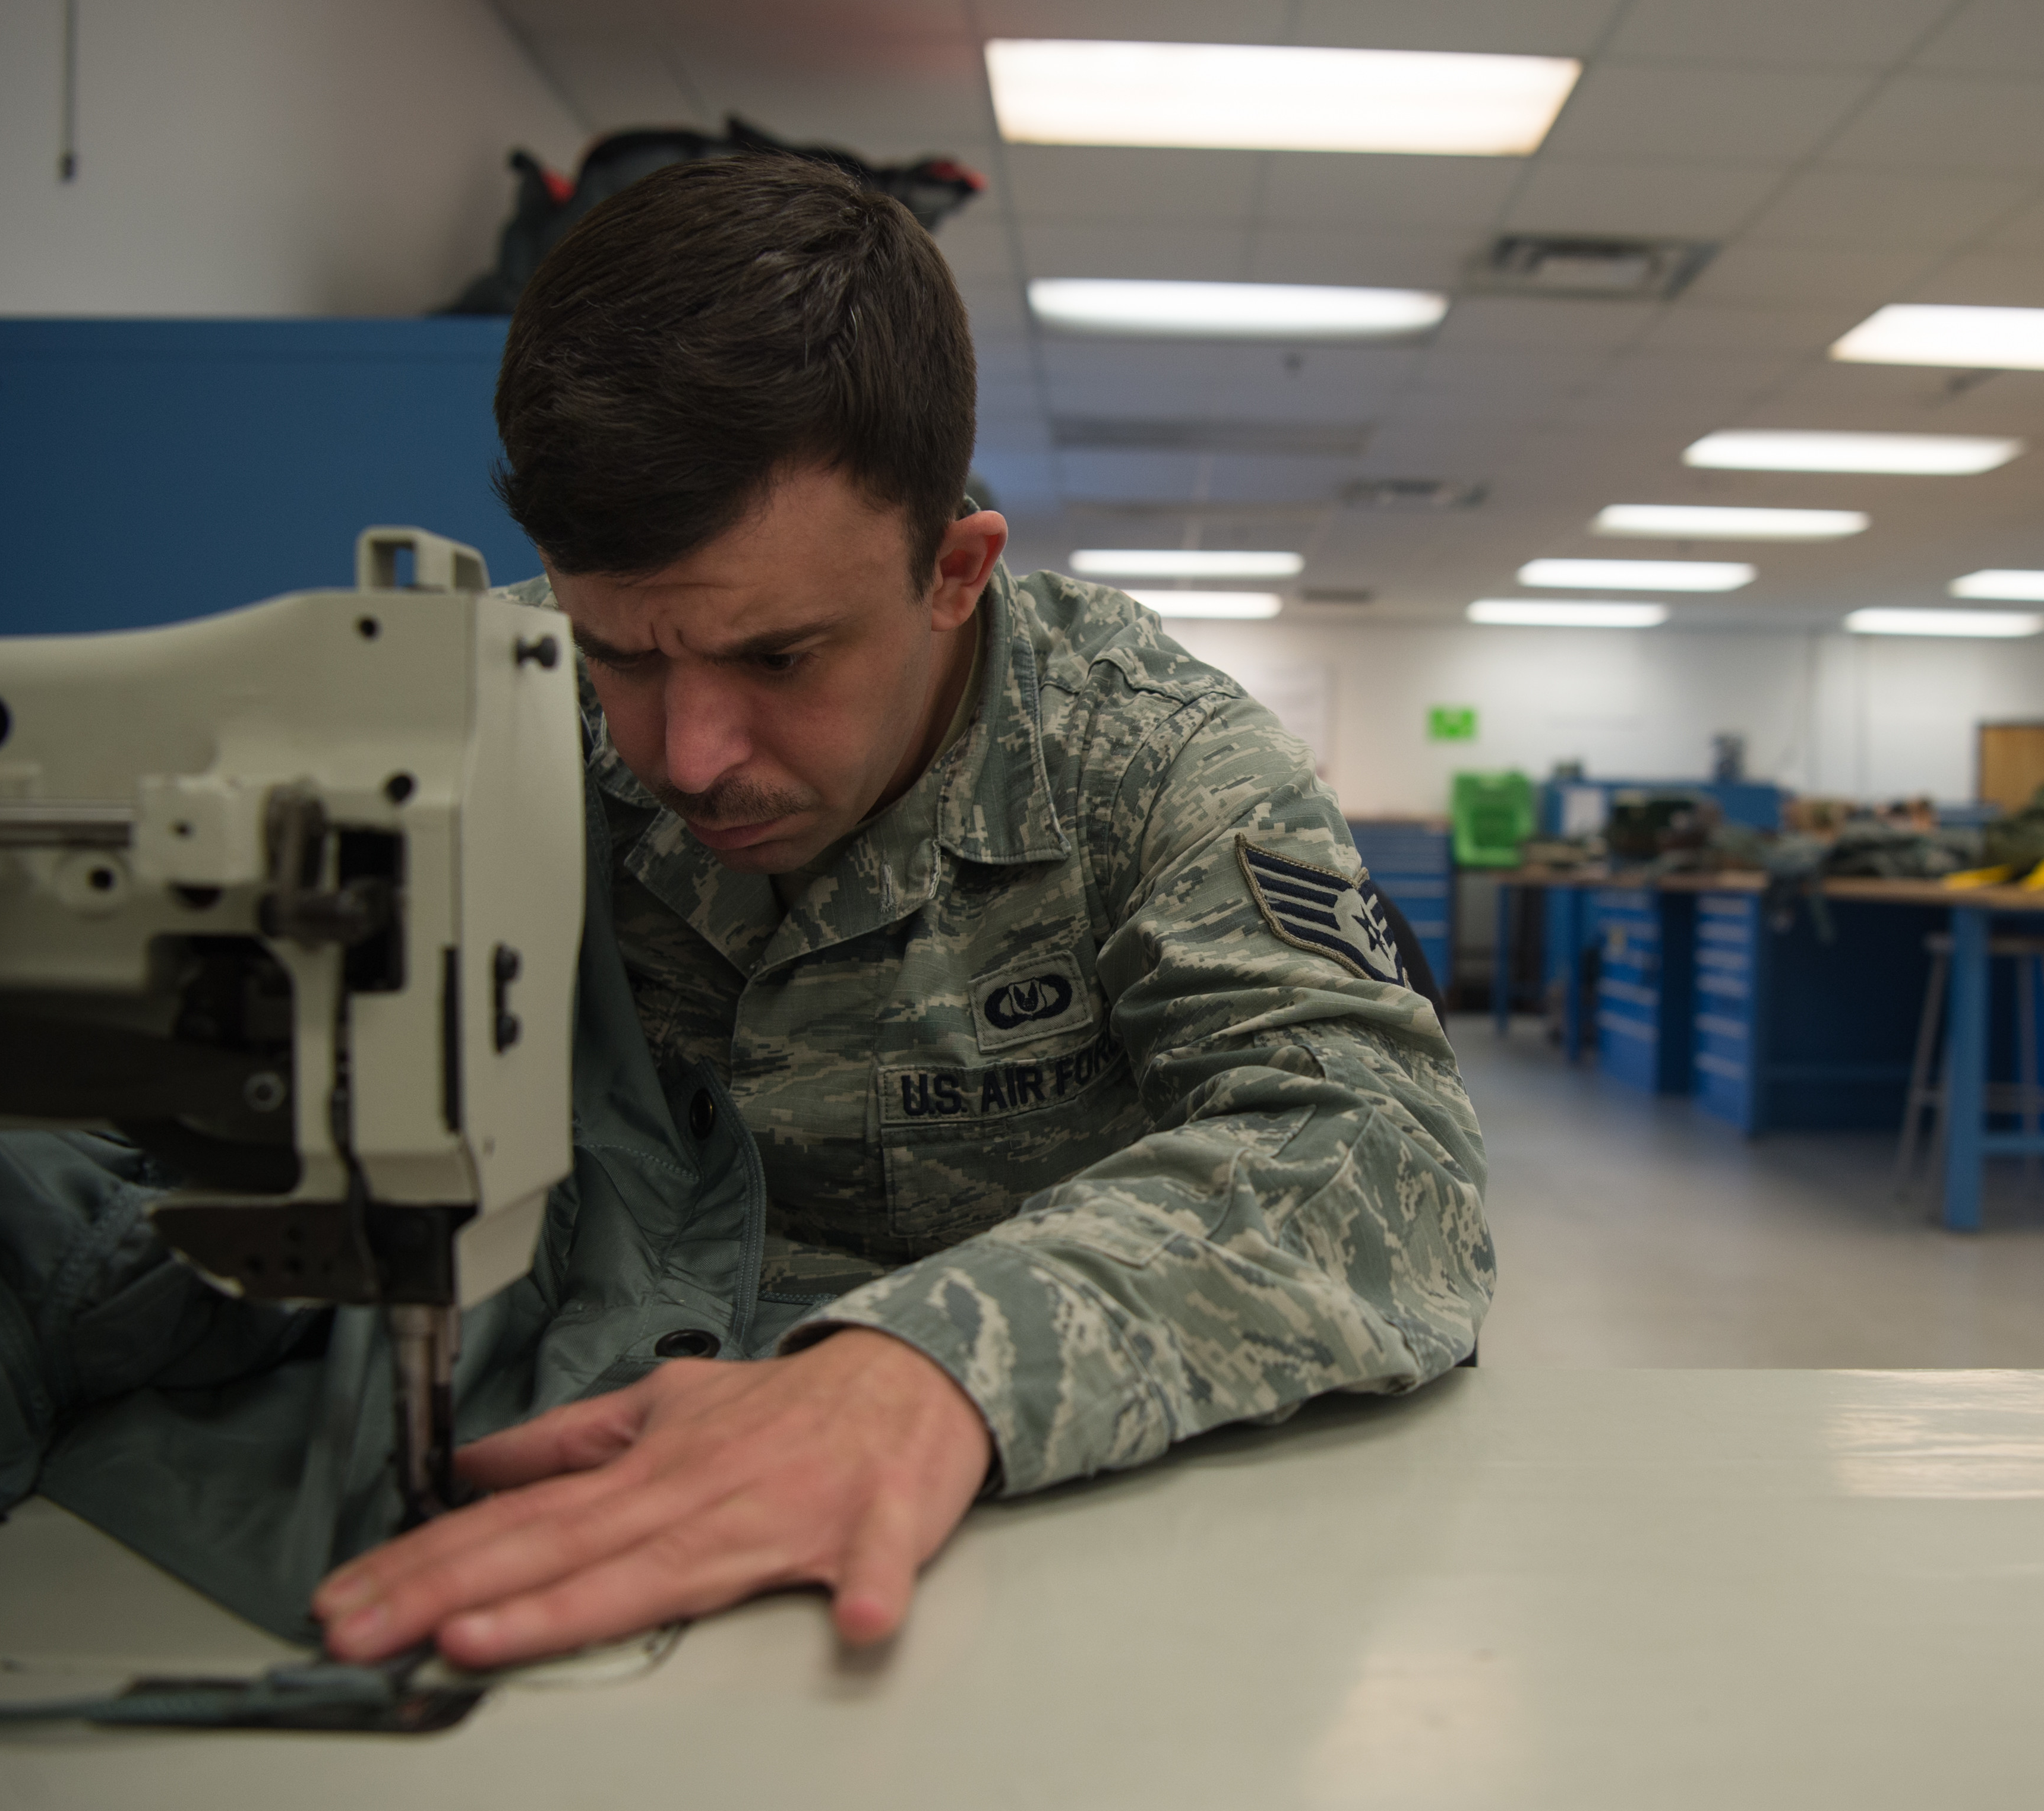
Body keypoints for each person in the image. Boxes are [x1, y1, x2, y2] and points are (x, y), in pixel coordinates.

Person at [307, 154, 1492, 1670]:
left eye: (781, 659)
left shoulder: (1152, 758)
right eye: (621, 655)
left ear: (953, 569)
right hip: (547, 1487)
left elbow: (1379, 1156)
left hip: (1022, 1553)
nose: (686, 755)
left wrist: (936, 1363)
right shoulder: (480, 708)